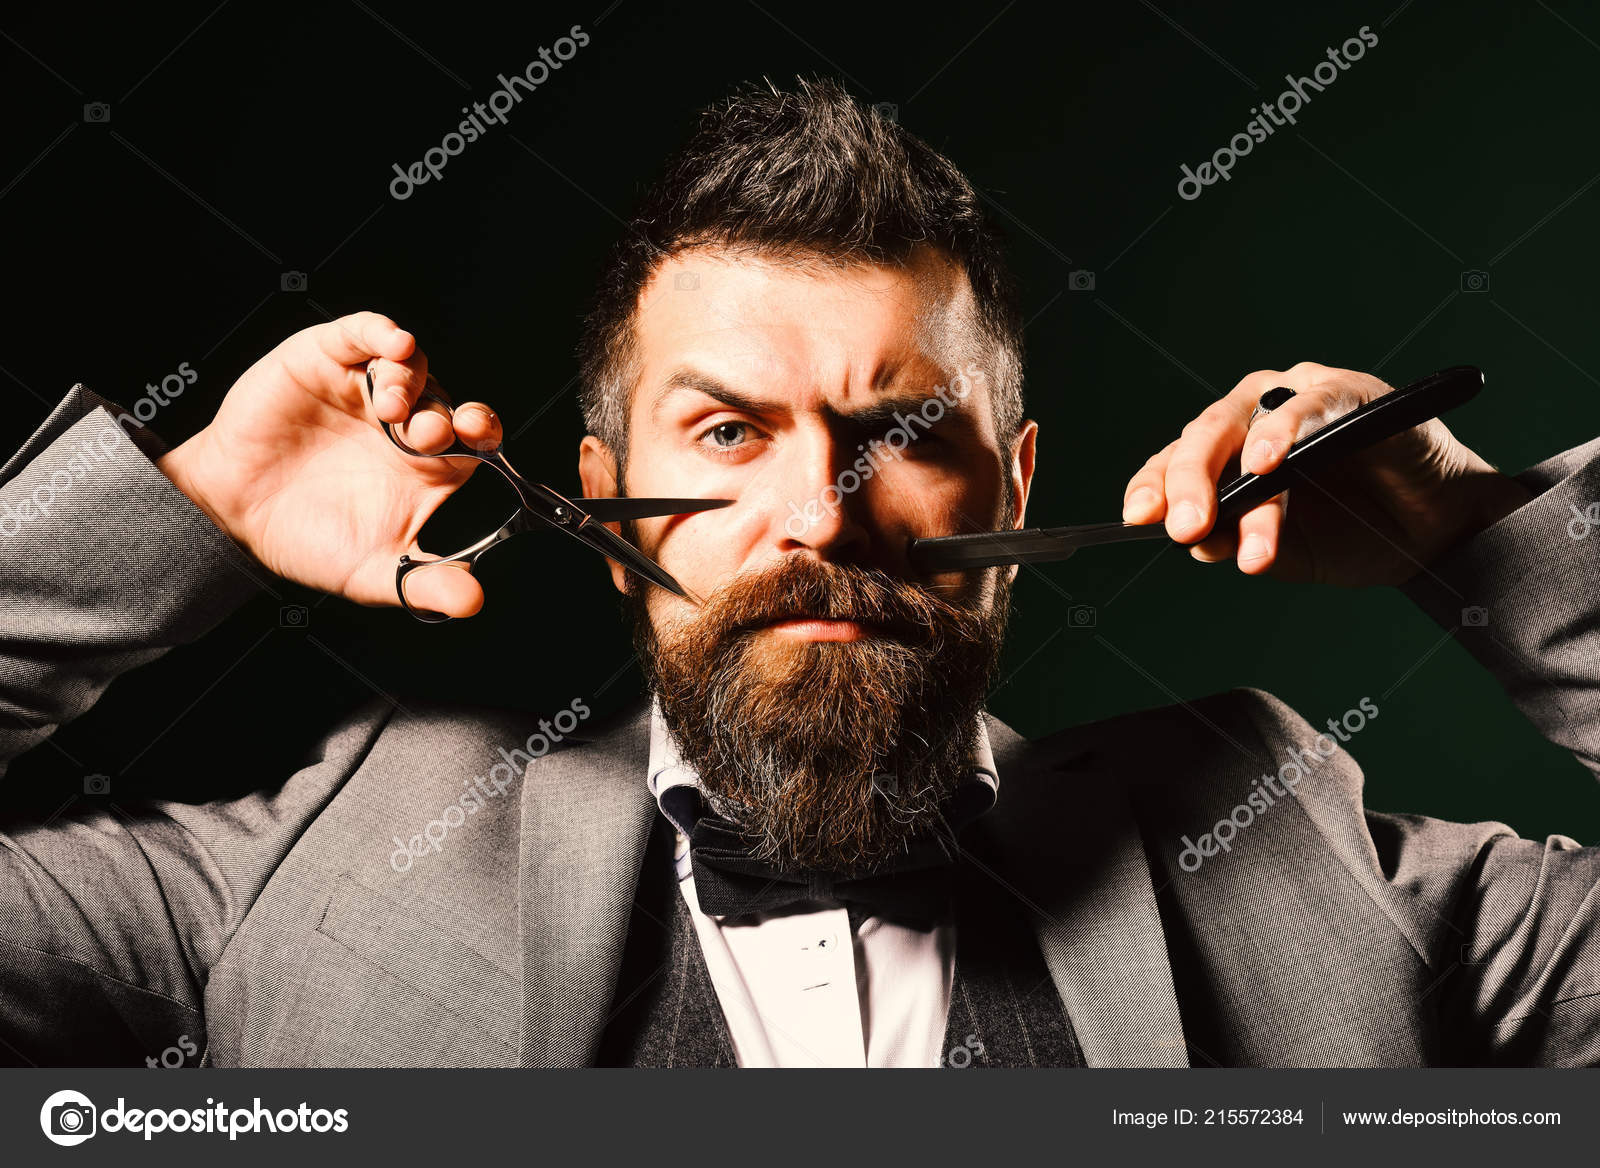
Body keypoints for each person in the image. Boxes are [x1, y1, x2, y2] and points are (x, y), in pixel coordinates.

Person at [1, 78, 1595, 1068]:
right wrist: (189, 507)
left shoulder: (1309, 868)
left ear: (1016, 484)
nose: (822, 520)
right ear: (606, 501)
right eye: (728, 430)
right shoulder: (313, 876)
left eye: (902, 431)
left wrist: (1475, 534)